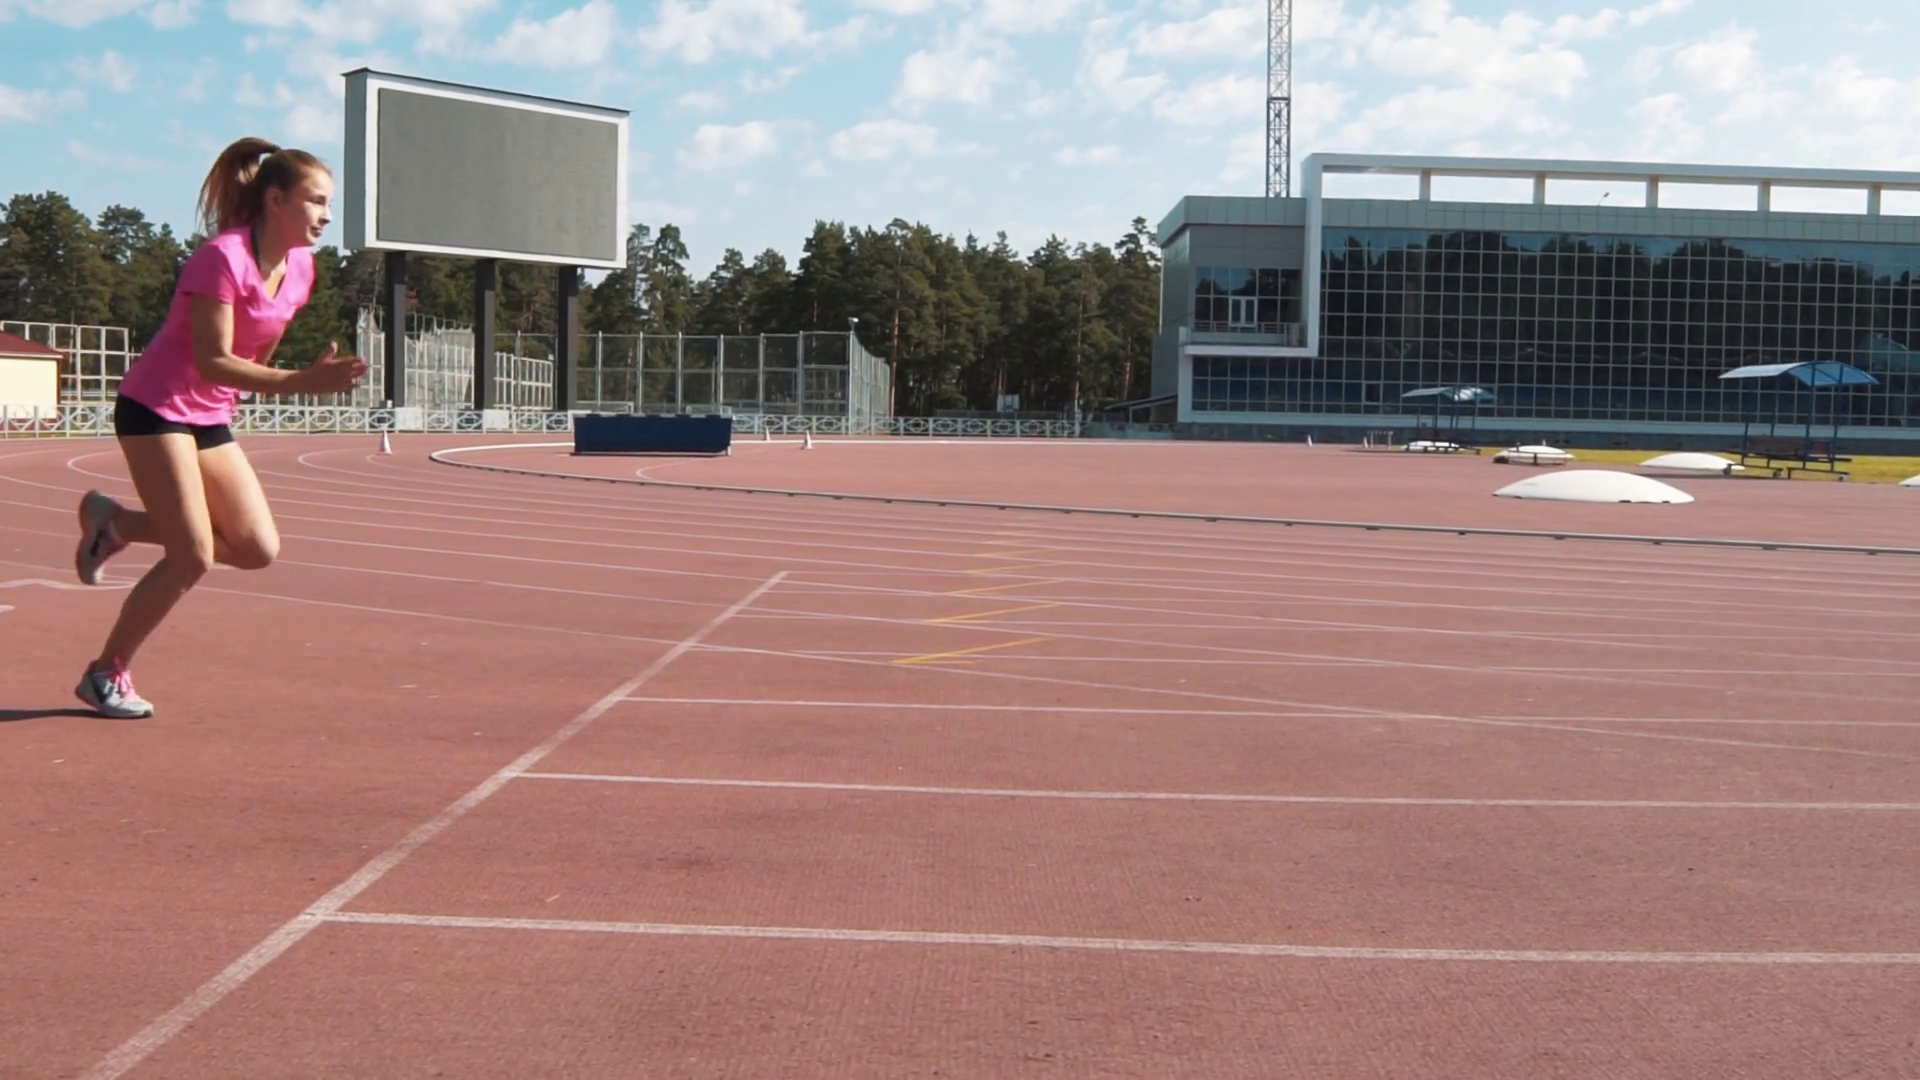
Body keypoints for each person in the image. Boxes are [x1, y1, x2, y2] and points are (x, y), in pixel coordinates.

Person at [71, 136, 368, 718]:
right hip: (156, 407)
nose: (327, 215)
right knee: (192, 556)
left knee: (256, 548)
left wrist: (267, 385)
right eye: (316, 201)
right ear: (275, 201)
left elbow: (259, 344)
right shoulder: (222, 258)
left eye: (329, 203)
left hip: (208, 413)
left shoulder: (301, 267)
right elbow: (213, 359)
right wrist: (302, 381)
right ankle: (105, 673)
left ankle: (115, 524)